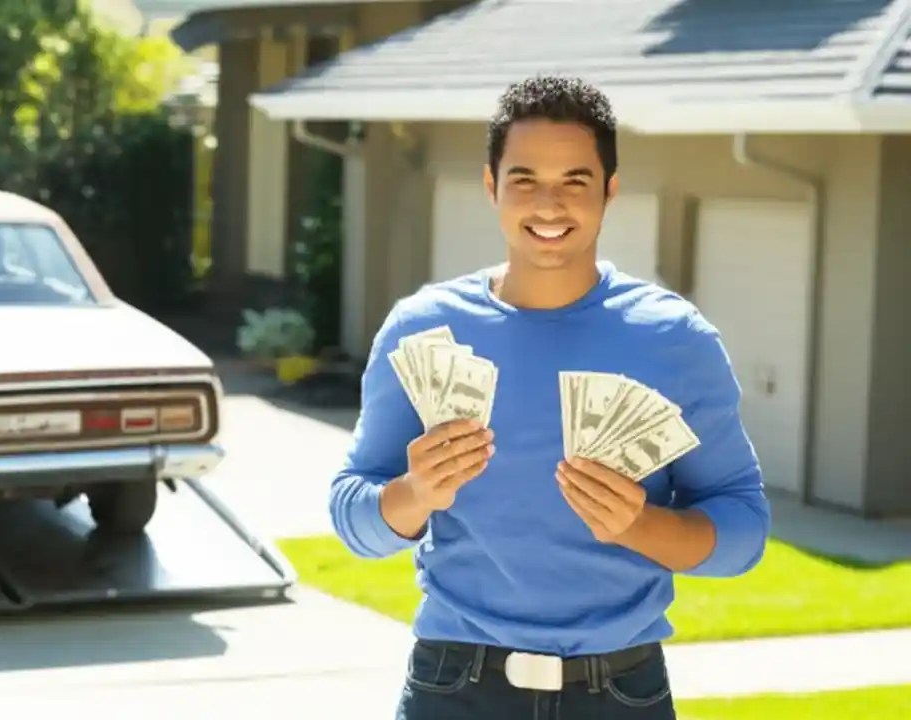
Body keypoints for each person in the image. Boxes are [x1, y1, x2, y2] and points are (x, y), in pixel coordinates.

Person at [329, 75, 771, 720]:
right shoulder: (423, 329)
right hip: (453, 685)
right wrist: (415, 494)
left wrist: (640, 525)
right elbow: (352, 518)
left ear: (610, 192)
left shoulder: (675, 340)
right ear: (491, 186)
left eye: (575, 181)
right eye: (525, 179)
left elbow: (744, 532)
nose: (549, 205)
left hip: (622, 692)